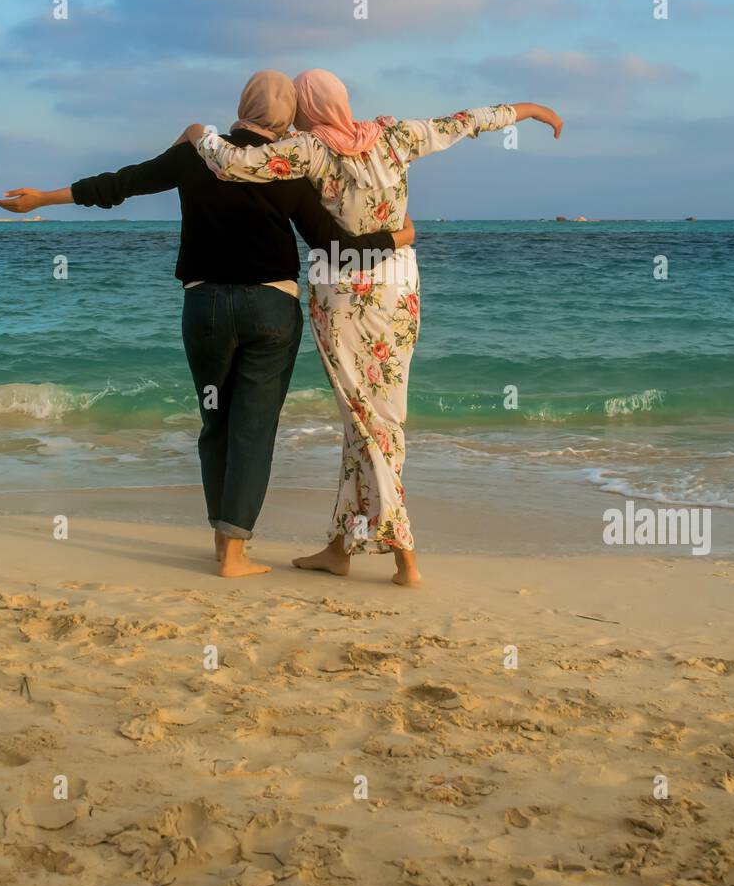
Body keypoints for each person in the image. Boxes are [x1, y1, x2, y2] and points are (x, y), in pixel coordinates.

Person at [0, 70, 414, 578]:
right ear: (286, 115)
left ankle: (222, 544)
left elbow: (121, 184)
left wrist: (44, 198)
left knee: (216, 423)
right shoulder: (289, 168)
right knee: (253, 430)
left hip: (205, 308)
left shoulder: (198, 154)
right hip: (271, 311)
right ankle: (234, 551)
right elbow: (330, 244)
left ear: (244, 103)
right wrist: (396, 239)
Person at [180, 70, 563, 587]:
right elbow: (465, 122)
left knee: (367, 421)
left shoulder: (309, 149)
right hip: (398, 287)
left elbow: (235, 164)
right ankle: (341, 548)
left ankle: (405, 555)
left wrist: (199, 134)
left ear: (307, 109)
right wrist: (527, 108)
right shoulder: (394, 134)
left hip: (341, 295)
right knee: (374, 416)